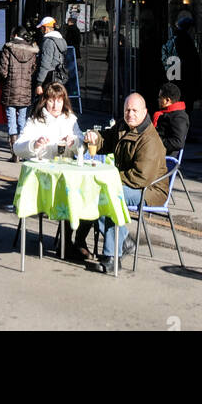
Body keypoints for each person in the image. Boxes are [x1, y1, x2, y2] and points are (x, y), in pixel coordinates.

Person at [74, 92, 166, 270]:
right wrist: (94, 136)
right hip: (126, 182)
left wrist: (111, 178)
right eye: (127, 110)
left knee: (108, 196)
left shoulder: (149, 139)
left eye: (134, 110)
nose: (130, 114)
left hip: (149, 190)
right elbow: (106, 140)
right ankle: (123, 239)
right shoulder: (123, 127)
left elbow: (140, 178)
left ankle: (112, 257)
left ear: (145, 112)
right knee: (93, 192)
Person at [0, 26, 38, 160]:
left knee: (11, 121)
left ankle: (15, 154)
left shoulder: (8, 48)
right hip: (25, 89)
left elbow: (2, 70)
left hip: (10, 88)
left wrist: (7, 78)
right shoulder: (31, 51)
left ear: (14, 35)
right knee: (22, 120)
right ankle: (24, 151)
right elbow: (33, 69)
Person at [13, 82, 82, 161]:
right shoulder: (35, 121)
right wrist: (34, 144)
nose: (55, 106)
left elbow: (83, 147)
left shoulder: (71, 120)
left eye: (59, 101)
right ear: (45, 101)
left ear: (64, 102)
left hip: (65, 169)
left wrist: (74, 142)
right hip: (41, 170)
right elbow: (17, 148)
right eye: (51, 101)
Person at [152, 81, 190, 154]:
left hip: (163, 156)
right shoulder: (165, 113)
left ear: (167, 100)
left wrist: (154, 142)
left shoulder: (179, 117)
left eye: (160, 98)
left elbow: (177, 143)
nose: (158, 100)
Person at [34, 16, 68, 96]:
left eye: (41, 28)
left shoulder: (48, 41)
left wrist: (39, 83)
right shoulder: (61, 40)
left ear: (45, 28)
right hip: (59, 76)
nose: (41, 31)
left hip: (49, 77)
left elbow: (45, 63)